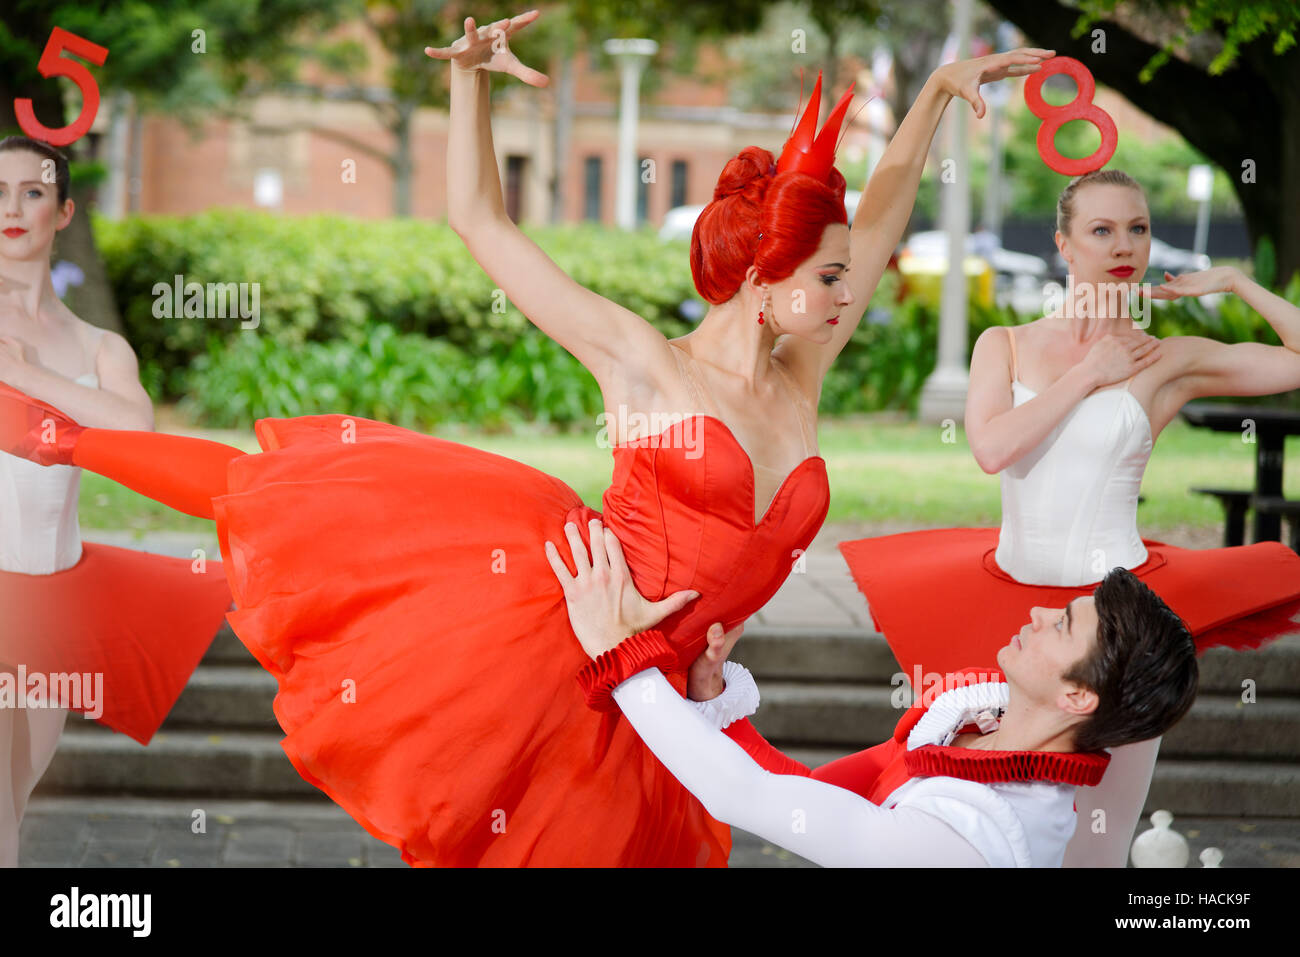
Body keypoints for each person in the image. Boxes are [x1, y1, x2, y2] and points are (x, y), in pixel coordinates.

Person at [0, 15, 1052, 865]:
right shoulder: (647, 364)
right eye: (828, 279)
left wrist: (929, 99)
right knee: (286, 493)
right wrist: (470, 85)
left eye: (842, 278)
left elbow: (877, 215)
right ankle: (52, 436)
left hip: (672, 693)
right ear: (765, 285)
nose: (852, 291)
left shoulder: (802, 365)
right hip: (566, 651)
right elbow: (481, 226)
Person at [838, 167, 1300, 866]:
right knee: (984, 801)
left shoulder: (1165, 358)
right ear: (1064, 243)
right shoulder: (1006, 343)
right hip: (1014, 615)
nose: (1125, 245)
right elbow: (992, 448)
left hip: (1114, 622)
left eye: (1138, 228)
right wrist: (1090, 372)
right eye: (1102, 229)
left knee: (1100, 836)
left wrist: (1237, 284)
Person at [545, 517, 1199, 867]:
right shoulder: (967, 729)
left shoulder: (975, 839)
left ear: (1080, 697)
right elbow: (810, 792)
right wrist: (713, 698)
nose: (1035, 615)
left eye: (1061, 624)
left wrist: (621, 655)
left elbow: (742, 795)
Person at [0, 137, 232, 867]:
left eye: (33, 192)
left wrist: (22, 373)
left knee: (14, 800)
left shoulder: (101, 348)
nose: (11, 207)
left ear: (64, 210)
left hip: (50, 607)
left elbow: (134, 425)